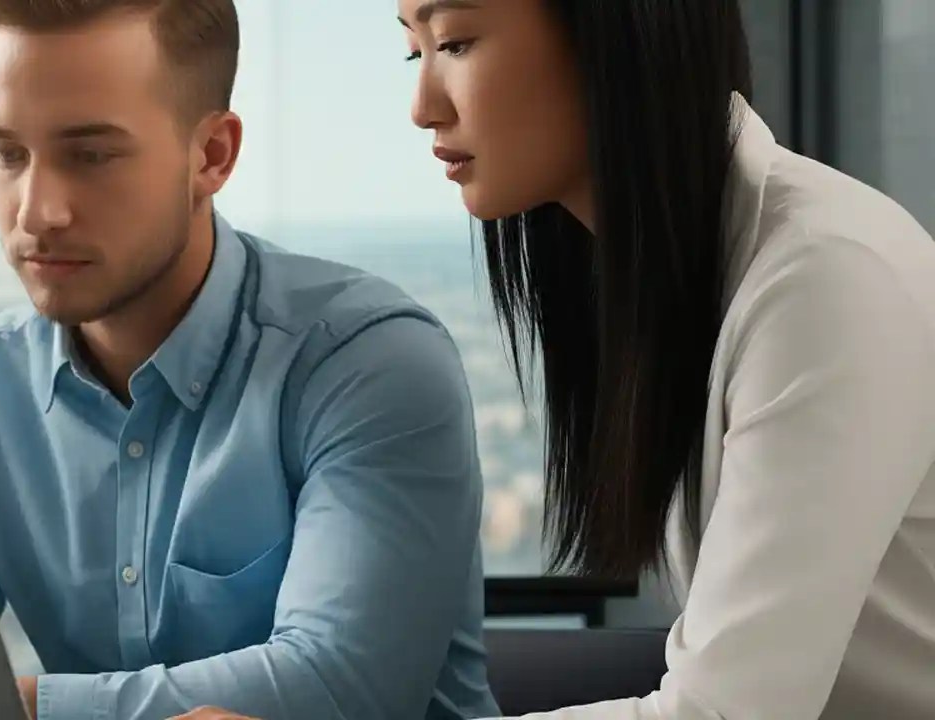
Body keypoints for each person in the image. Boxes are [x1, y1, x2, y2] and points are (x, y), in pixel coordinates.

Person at [181, 0, 935, 719]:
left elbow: (724, 713)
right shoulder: (655, 273)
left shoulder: (825, 278)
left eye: (455, 43)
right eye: (415, 49)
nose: (422, 106)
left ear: (614, 31)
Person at [0, 1, 503, 719]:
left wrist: (19, 709)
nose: (37, 212)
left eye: (89, 155)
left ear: (211, 156)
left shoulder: (366, 362)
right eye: (7, 154)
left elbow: (337, 686)